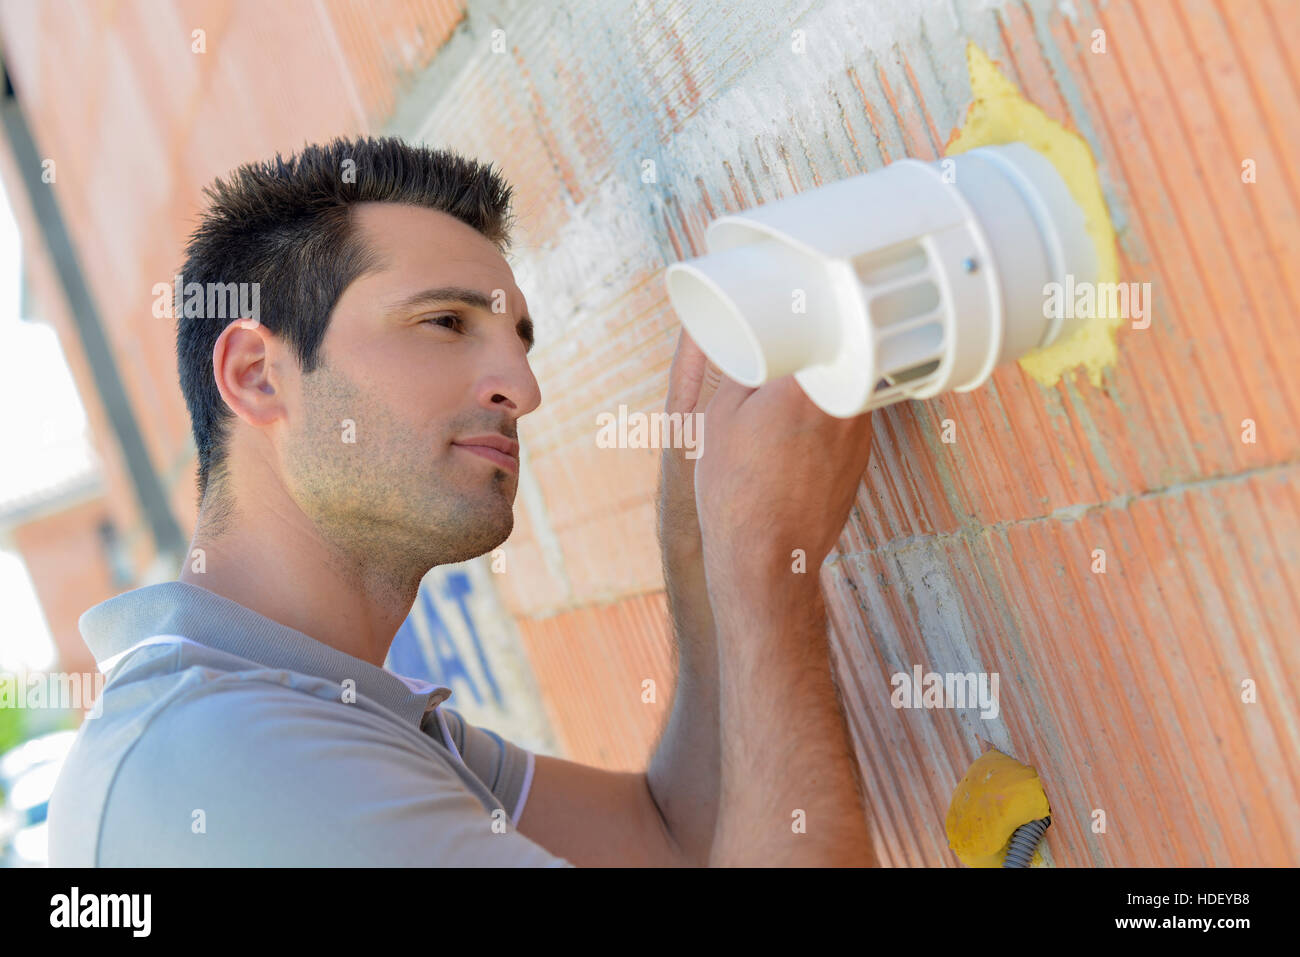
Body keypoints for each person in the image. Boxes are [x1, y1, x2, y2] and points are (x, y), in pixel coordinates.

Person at [48, 135, 876, 866]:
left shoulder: (298, 702)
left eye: (519, 340)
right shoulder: (222, 758)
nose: (524, 386)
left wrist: (698, 539)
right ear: (258, 375)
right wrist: (764, 562)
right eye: (445, 322)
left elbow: (671, 841)